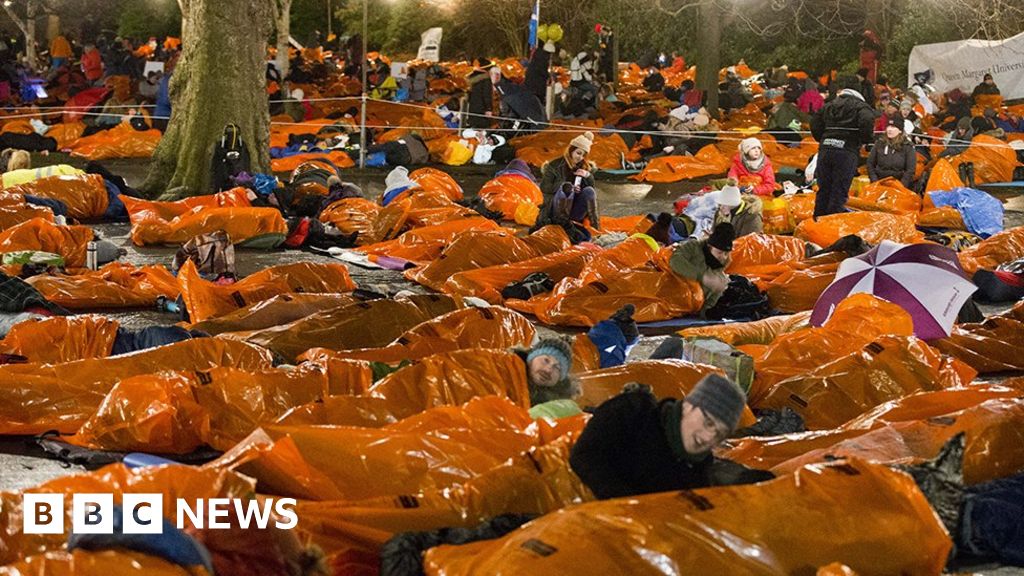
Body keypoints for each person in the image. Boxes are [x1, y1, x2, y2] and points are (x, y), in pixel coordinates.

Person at [569, 373, 769, 499]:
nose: (709, 437)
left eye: (719, 433)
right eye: (708, 422)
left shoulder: (698, 470)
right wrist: (627, 503)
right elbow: (583, 455)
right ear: (689, 405)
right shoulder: (633, 412)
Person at [810, 75, 875, 218]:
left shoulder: (829, 105)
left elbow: (814, 122)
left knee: (824, 189)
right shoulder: (862, 107)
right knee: (839, 191)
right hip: (847, 150)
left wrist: (822, 138)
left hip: (826, 149)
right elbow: (867, 120)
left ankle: (817, 221)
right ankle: (833, 222)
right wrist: (866, 140)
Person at [537, 131, 600, 235]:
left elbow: (591, 193)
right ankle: (563, 227)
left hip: (575, 211)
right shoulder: (554, 165)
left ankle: (596, 228)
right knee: (567, 188)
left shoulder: (583, 166)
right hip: (555, 211)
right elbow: (544, 187)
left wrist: (588, 176)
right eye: (578, 153)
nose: (580, 158)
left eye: (583, 155)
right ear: (571, 150)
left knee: (589, 191)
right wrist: (564, 186)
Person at [669, 223, 734, 314]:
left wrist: (708, 312)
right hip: (670, 296)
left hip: (688, 308)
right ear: (709, 247)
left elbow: (709, 300)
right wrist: (702, 276)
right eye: (720, 252)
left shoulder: (720, 272)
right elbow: (674, 261)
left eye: (726, 253)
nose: (723, 257)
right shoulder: (692, 248)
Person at [512, 337, 580, 407]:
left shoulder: (560, 406)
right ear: (531, 358)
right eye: (546, 360)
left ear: (560, 379)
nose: (548, 370)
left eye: (557, 367)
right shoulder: (506, 375)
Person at [867, 117, 917, 189]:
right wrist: (874, 181)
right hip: (879, 183)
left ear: (900, 130)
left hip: (898, 184)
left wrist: (901, 186)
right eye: (888, 126)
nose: (889, 129)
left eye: (893, 127)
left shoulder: (907, 146)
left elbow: (910, 169)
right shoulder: (880, 143)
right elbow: (870, 163)